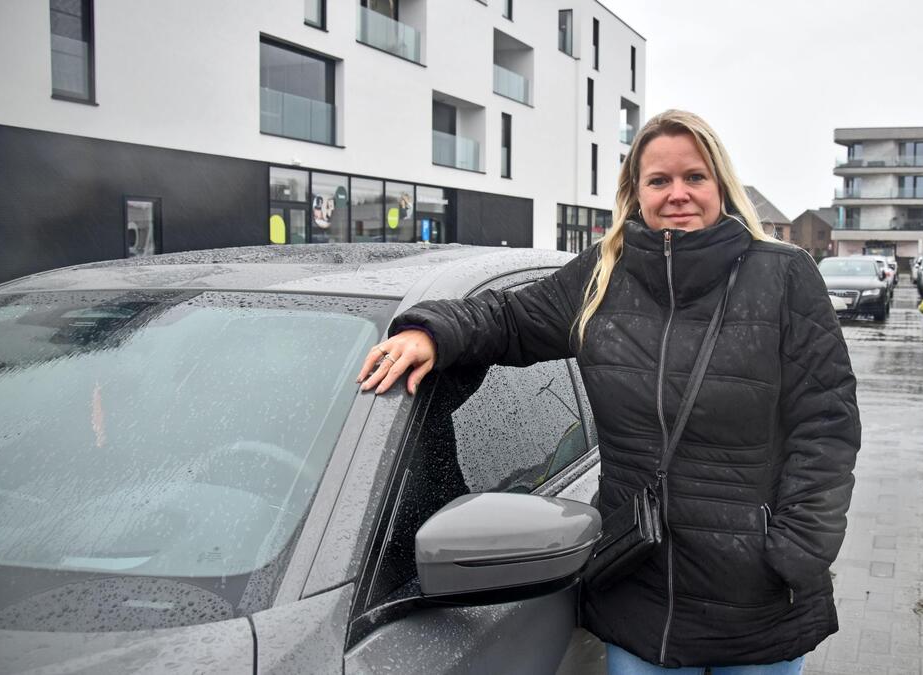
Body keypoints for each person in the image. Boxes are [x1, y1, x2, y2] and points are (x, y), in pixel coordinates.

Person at [356, 110, 860, 673]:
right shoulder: (603, 275)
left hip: (756, 599)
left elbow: (827, 423)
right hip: (638, 588)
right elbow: (509, 318)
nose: (678, 194)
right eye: (659, 180)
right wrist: (431, 332)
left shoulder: (784, 276)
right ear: (635, 191)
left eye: (694, 177)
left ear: (721, 185)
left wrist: (797, 550)